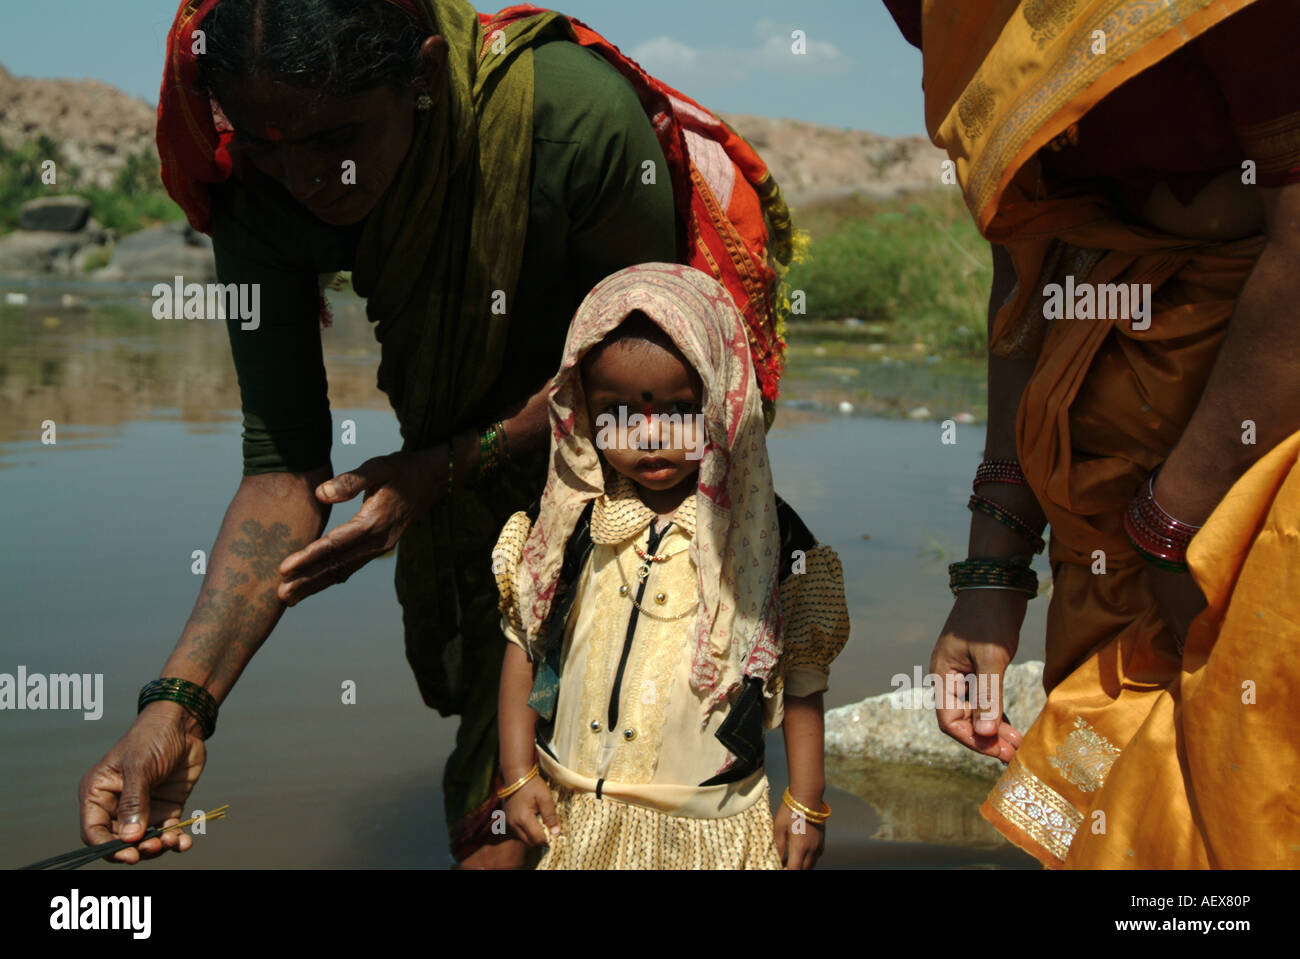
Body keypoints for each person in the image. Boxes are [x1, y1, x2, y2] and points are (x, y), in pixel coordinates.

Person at [77, 0, 799, 869]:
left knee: (642, 753)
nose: (307, 178)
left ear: (423, 77)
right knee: (499, 783)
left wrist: (447, 467)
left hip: (630, 484)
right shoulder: (255, 183)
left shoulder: (570, 123)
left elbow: (645, 389)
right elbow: (283, 471)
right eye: (271, 147)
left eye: (335, 140)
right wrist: (177, 707)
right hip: (468, 496)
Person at [886, 0, 1300, 866]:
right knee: (1095, 779)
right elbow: (1030, 247)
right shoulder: (949, 12)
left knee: (1242, 796)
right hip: (1101, 485)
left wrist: (1174, 521)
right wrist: (993, 570)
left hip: (1254, 463)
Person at [490, 264, 850, 869]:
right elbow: (524, 645)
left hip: (709, 825)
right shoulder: (564, 527)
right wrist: (517, 774)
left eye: (681, 409)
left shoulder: (768, 541)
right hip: (578, 813)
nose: (650, 436)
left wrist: (806, 802)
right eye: (620, 411)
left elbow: (803, 679)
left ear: (724, 400)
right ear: (583, 408)